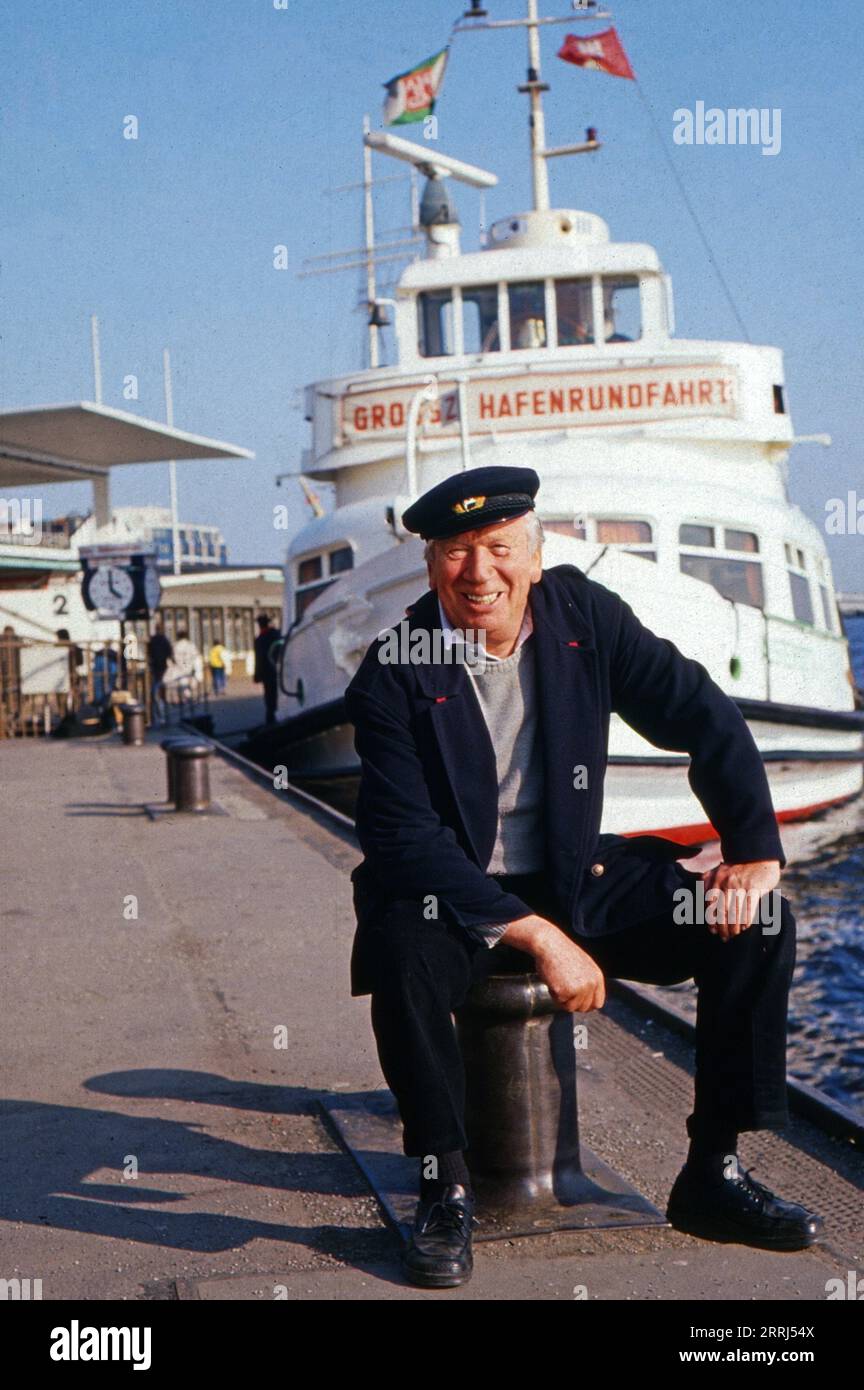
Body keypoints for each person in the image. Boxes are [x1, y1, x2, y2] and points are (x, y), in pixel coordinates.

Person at [345, 463, 823, 1290]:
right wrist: (535, 936)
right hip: (450, 891)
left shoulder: (583, 617)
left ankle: (713, 1170)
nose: (478, 571)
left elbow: (701, 712)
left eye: (498, 547)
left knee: (759, 925)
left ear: (534, 554)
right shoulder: (394, 669)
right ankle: (445, 1187)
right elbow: (402, 839)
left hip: (575, 875)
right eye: (456, 551)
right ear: (429, 568)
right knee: (404, 954)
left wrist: (753, 849)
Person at [253, 614, 281, 724]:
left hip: (267, 673)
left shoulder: (260, 639)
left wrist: (257, 675)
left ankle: (271, 720)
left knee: (270, 698)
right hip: (279, 670)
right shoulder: (276, 634)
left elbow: (259, 659)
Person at [147, 622, 173, 725]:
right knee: (161, 691)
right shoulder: (164, 640)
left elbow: (149, 652)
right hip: (163, 668)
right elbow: (169, 652)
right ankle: (163, 716)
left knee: (155, 692)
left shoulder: (153, 640)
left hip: (155, 668)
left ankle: (157, 715)